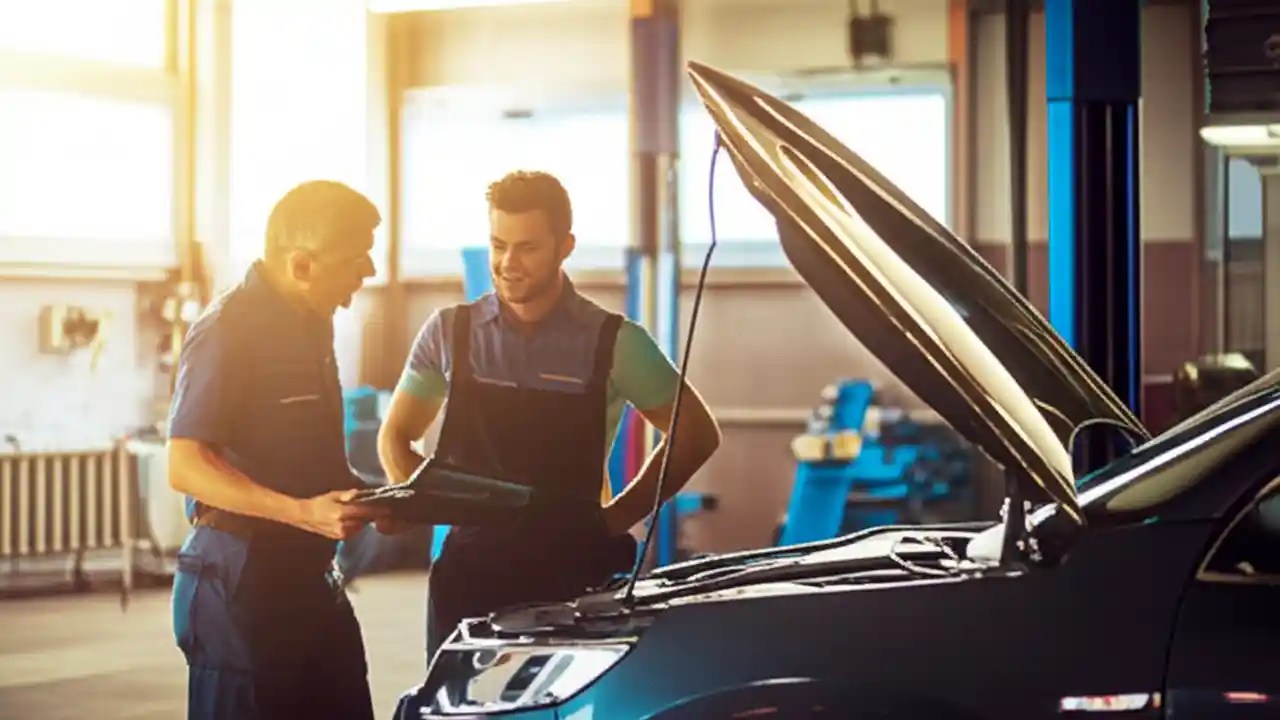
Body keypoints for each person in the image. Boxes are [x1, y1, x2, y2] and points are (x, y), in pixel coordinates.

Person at [377, 170, 723, 662]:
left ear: (565, 246)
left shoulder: (615, 343)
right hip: (469, 576)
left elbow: (695, 433)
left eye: (527, 248)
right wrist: (424, 500)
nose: (508, 263)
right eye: (498, 245)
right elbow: (396, 438)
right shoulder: (450, 332)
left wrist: (620, 516)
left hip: (572, 578)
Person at [166, 180, 388, 720]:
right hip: (238, 584)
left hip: (311, 579)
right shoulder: (227, 330)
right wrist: (301, 513)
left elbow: (304, 455)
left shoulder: (315, 322)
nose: (369, 272)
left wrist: (382, 498)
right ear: (302, 265)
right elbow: (185, 463)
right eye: (355, 257)